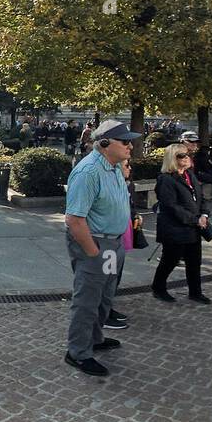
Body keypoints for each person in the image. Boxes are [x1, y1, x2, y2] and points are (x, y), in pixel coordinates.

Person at [62, 123, 137, 377]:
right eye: (124, 141)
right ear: (104, 143)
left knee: (105, 296)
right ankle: (78, 352)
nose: (130, 145)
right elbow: (74, 219)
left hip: (113, 243)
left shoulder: (114, 166)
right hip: (96, 243)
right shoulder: (88, 171)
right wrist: (92, 252)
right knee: (88, 300)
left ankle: (94, 338)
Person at [147, 145, 212, 304]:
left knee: (194, 261)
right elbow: (171, 206)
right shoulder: (166, 179)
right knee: (169, 260)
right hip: (175, 228)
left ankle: (195, 292)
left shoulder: (190, 175)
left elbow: (201, 198)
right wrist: (194, 219)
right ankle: (158, 288)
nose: (186, 157)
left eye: (187, 154)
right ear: (172, 158)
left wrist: (204, 214)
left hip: (193, 228)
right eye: (181, 155)